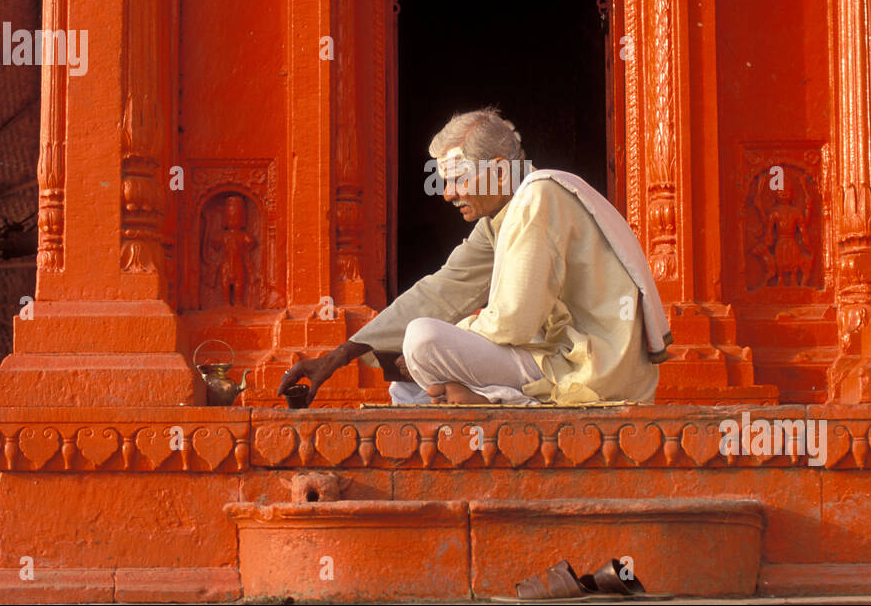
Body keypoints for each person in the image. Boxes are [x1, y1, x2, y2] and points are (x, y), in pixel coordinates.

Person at [277, 107, 672, 406]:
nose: (447, 194)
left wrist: (459, 332)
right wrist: (341, 355)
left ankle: (502, 403)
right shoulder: (501, 217)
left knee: (421, 340)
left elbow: (515, 322)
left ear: (499, 172)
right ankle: (485, 400)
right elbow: (440, 290)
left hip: (593, 371)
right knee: (408, 384)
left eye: (456, 179)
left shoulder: (538, 196)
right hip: (555, 359)